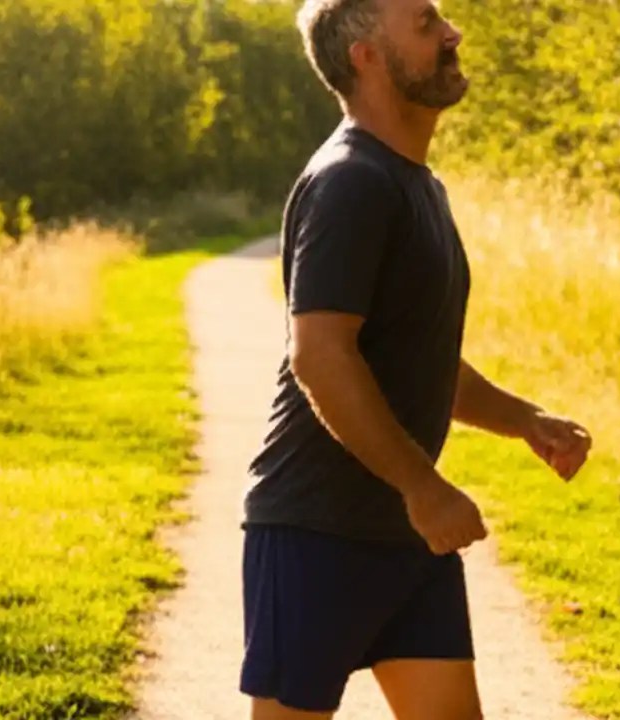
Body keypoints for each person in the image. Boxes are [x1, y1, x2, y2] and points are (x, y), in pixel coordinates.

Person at [239, 0, 592, 718]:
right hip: (315, 530)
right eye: (427, 24)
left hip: (406, 540)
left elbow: (416, 357)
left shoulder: (415, 184)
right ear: (366, 53)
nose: (453, 34)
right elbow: (320, 357)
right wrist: (424, 488)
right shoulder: (349, 183)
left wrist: (526, 420)